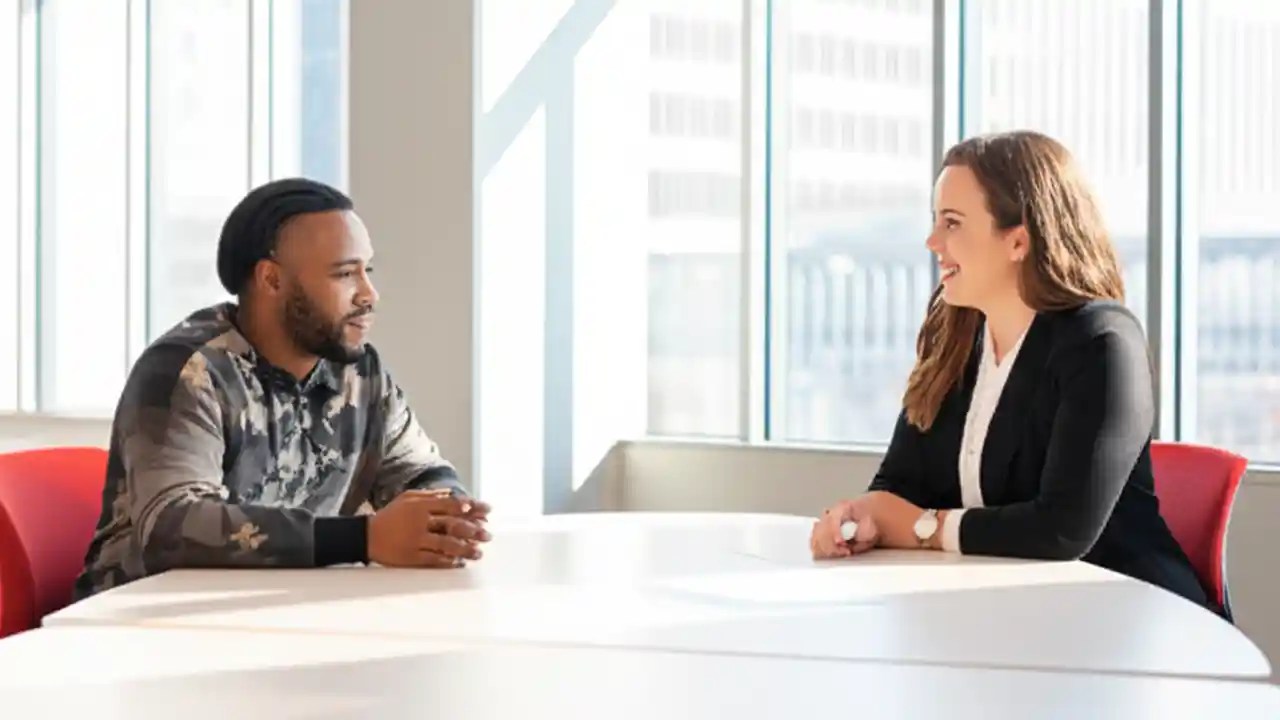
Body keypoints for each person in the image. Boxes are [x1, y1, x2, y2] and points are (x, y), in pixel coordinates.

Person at [809, 131, 1211, 612]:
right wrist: (861, 519)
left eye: (952, 223)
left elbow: (1061, 530)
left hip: (1129, 620)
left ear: (1018, 240)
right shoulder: (954, 338)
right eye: (935, 221)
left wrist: (925, 528)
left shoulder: (1102, 342)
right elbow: (898, 487)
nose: (933, 241)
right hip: (1013, 613)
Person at [74, 178, 491, 600]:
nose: (369, 293)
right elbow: (173, 527)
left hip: (276, 614)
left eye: (368, 270)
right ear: (271, 280)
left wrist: (445, 520)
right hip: (141, 625)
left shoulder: (359, 372)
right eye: (345, 273)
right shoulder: (188, 371)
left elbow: (421, 473)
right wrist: (363, 538)